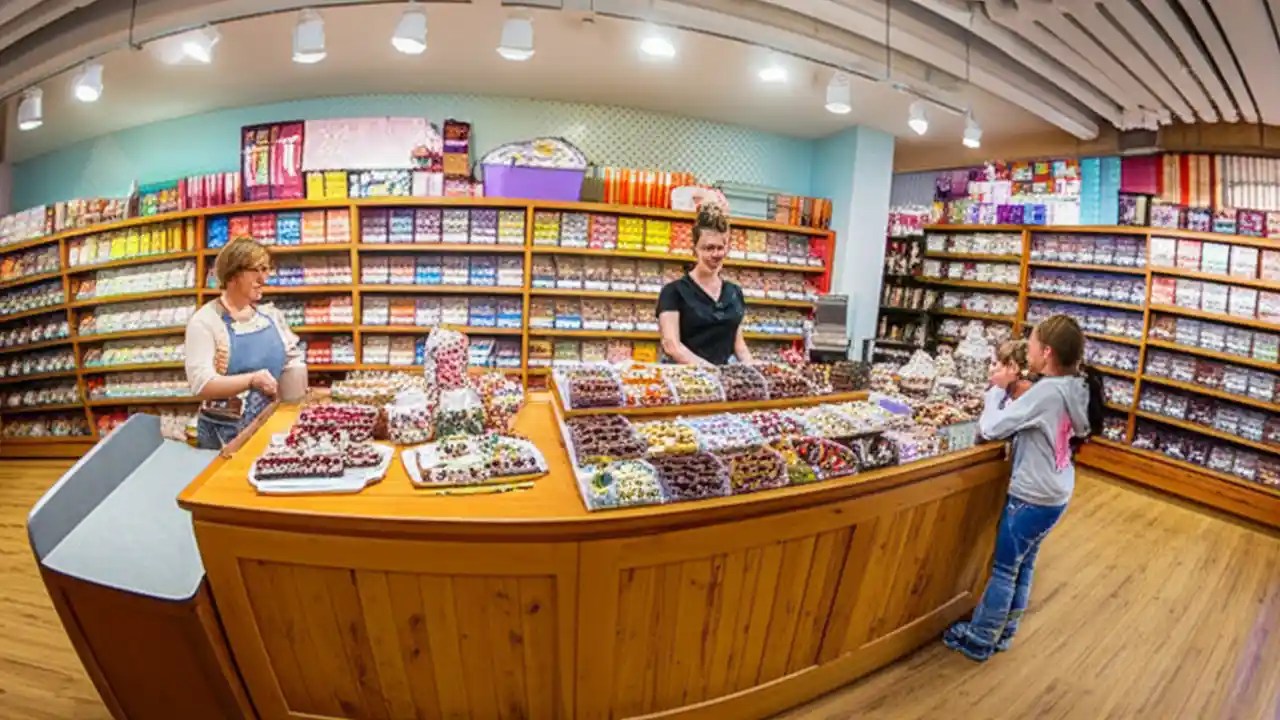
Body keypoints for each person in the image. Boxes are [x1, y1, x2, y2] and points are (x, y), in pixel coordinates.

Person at [943, 314, 1092, 662]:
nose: (1030, 350)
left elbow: (993, 428)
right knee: (1025, 565)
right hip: (1057, 491)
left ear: (1048, 353)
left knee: (1005, 569)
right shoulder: (1078, 386)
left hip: (1031, 494)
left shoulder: (1046, 393)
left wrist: (994, 393)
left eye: (1035, 343)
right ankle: (1005, 631)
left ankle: (980, 640)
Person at [184, 238, 307, 449]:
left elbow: (291, 363)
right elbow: (201, 384)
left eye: (266, 270)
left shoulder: (270, 316)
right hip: (225, 436)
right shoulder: (206, 321)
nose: (263, 279)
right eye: (257, 270)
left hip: (269, 427)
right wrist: (252, 380)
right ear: (233, 274)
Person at [656, 203, 754, 365]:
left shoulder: (734, 292)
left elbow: (739, 346)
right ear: (695, 249)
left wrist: (756, 372)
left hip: (723, 381)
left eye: (720, 248)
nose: (715, 254)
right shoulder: (673, 292)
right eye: (708, 248)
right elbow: (671, 345)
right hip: (687, 382)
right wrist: (709, 372)